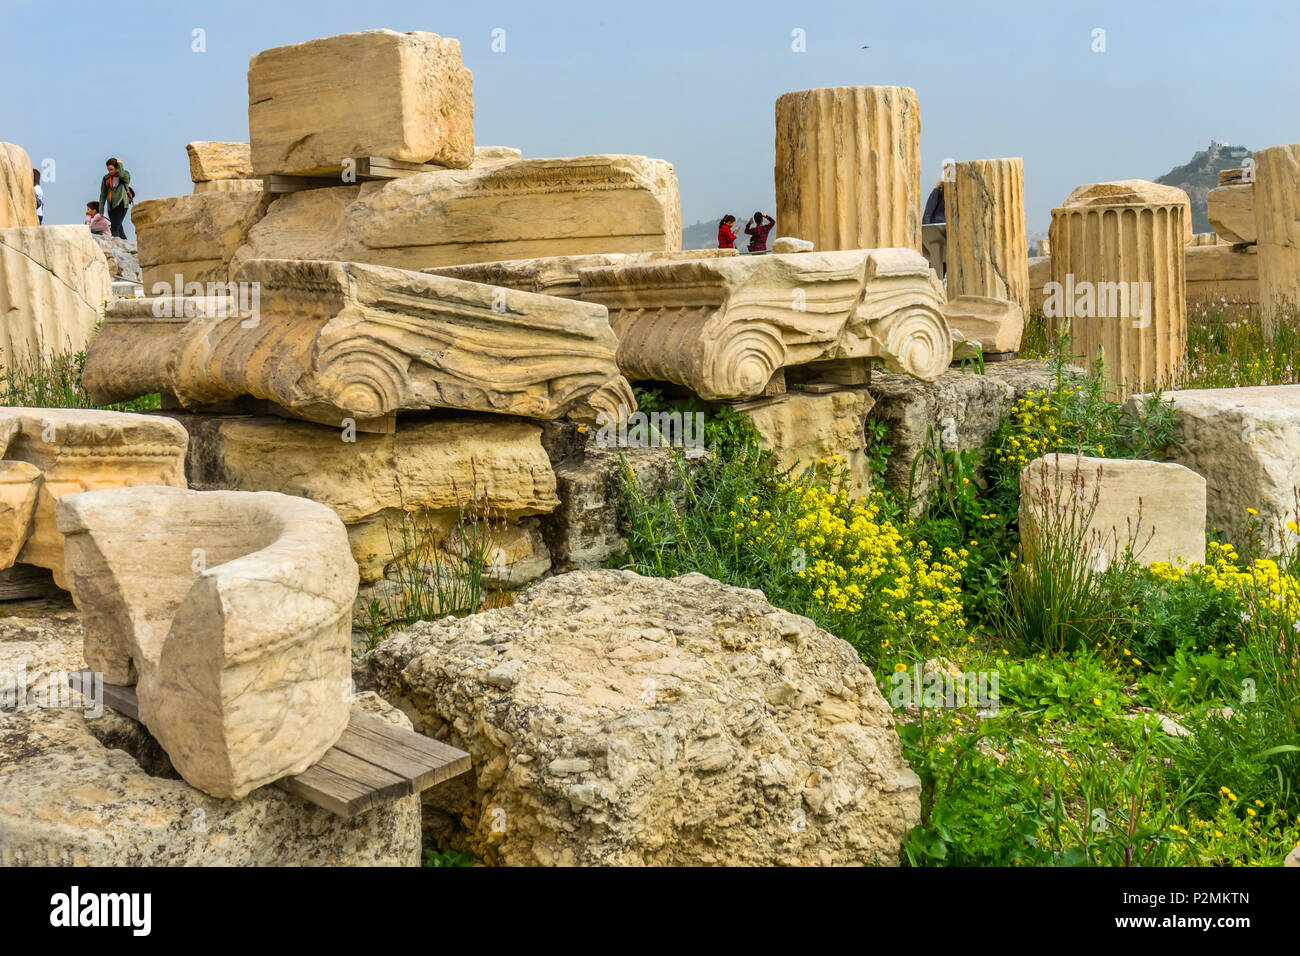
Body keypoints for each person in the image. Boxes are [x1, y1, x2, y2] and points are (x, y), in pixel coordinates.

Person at [99, 157, 132, 239]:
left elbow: (122, 176)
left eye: (111, 169)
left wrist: (120, 164)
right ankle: (127, 246)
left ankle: (115, 246)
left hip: (121, 204)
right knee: (119, 228)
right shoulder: (105, 178)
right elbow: (103, 194)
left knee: (114, 227)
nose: (110, 172)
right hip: (110, 206)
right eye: (108, 169)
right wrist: (101, 209)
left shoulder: (125, 174)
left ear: (117, 168)